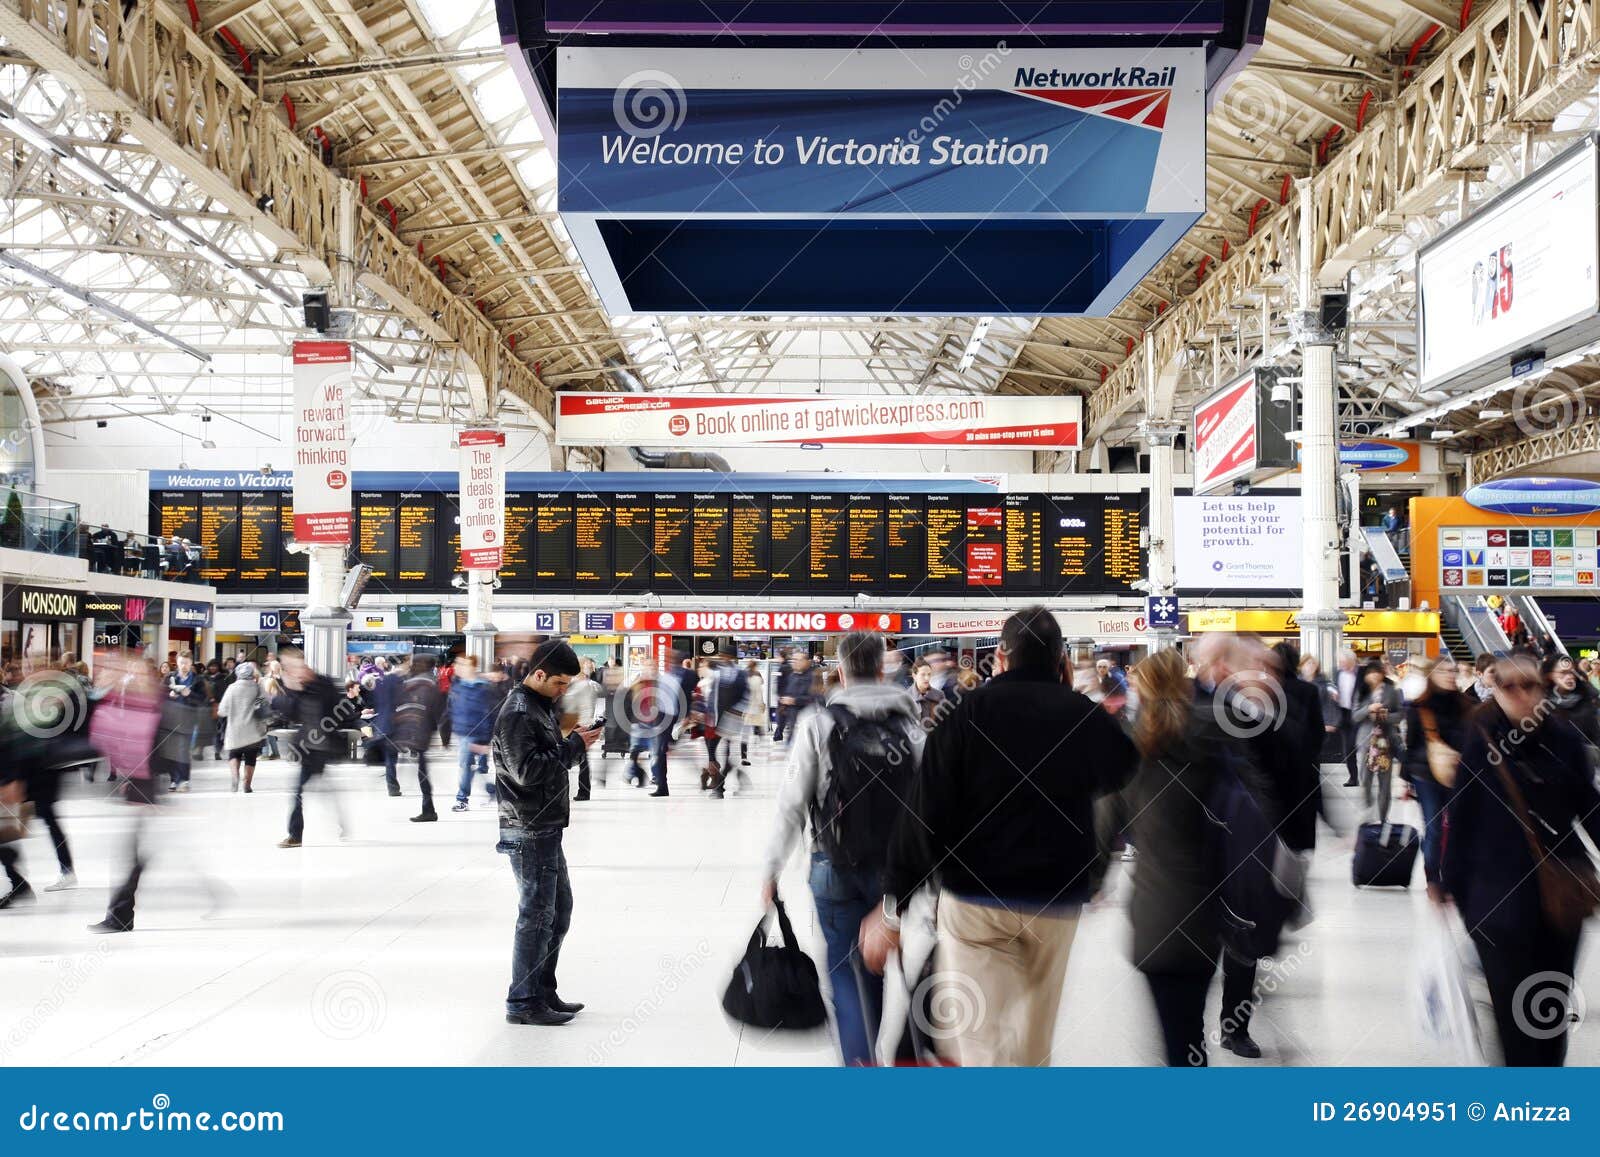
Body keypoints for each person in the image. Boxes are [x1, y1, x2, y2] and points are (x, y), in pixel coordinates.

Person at [861, 607, 1138, 1066]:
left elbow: (923, 814)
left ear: (1002, 659)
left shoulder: (964, 715)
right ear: (1061, 661)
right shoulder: (1080, 716)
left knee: (981, 1042)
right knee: (1032, 1040)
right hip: (1055, 899)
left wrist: (893, 910)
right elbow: (1122, 766)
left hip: (976, 902)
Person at [759, 631, 924, 1065]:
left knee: (844, 969)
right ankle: (880, 1045)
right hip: (896, 871)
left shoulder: (820, 722)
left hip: (832, 866)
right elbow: (930, 802)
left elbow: (791, 802)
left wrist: (771, 868)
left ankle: (859, 1059)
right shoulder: (910, 723)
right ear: (882, 667)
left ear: (842, 670)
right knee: (878, 964)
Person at [1449, 654, 1600, 1065]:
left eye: (1529, 685)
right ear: (1494, 690)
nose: (1520, 694)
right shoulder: (1480, 741)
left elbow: (1589, 807)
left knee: (1548, 1015)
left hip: (1559, 902)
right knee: (1512, 1022)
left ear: (1544, 688)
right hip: (1497, 906)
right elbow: (1460, 819)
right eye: (1509, 686)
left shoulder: (1565, 741)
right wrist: (1454, 889)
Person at [1096, 648, 1229, 1065]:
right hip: (1209, 912)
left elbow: (1103, 828)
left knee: (1176, 1036)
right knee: (1190, 1033)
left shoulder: (1129, 750)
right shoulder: (1215, 742)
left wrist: (1090, 883)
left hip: (1155, 914)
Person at [492, 639, 603, 1026]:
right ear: (538, 674)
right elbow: (527, 771)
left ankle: (542, 990)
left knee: (558, 910)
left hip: (543, 826)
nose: (564, 690)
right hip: (528, 827)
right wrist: (573, 747)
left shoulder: (538, 706)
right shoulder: (520, 712)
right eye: (559, 683)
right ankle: (522, 1001)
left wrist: (571, 741)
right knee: (537, 915)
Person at [1401, 656, 1467, 901]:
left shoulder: (1465, 705)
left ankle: (1452, 876)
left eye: (1452, 671)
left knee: (1459, 826)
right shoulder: (1420, 707)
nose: (1450, 675)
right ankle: (1433, 879)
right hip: (1425, 774)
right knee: (1435, 827)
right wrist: (1406, 782)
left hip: (1457, 774)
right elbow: (1409, 746)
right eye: (1443, 671)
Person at [274, 652, 346, 849]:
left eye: (296, 666)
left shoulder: (324, 684)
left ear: (305, 665)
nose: (295, 672)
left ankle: (339, 823)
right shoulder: (297, 689)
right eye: (290, 668)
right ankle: (295, 835)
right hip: (307, 750)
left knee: (322, 791)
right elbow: (287, 713)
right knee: (300, 792)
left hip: (323, 748)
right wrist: (291, 690)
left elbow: (339, 709)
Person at [393, 656, 446, 823]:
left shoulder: (415, 684)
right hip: (422, 733)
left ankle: (429, 810)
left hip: (416, 733)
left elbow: (403, 707)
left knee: (422, 773)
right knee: (422, 771)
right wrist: (444, 736)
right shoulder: (432, 684)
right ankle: (428, 809)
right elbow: (441, 713)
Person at [1352, 660, 1403, 824]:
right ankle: (1367, 810)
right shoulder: (1361, 691)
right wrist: (1368, 709)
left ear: (1382, 673)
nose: (1374, 675)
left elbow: (1400, 714)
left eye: (1377, 672)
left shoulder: (1391, 691)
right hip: (1366, 742)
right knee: (1365, 780)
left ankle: (1383, 818)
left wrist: (1385, 716)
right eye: (1370, 672)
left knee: (1385, 783)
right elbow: (1354, 716)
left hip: (1385, 743)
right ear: (1365, 675)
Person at [450, 656, 500, 811]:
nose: (458, 667)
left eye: (462, 664)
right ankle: (492, 791)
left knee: (466, 766)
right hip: (463, 733)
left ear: (472, 667)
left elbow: (490, 714)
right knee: (471, 767)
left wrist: (484, 740)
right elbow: (453, 710)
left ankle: (462, 799)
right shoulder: (458, 686)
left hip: (475, 735)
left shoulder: (483, 688)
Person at [216, 661, 268, 793]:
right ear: (251, 674)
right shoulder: (257, 687)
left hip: (235, 730)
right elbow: (265, 704)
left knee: (234, 754)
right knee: (251, 757)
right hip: (253, 731)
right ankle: (247, 784)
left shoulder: (231, 688)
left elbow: (222, 711)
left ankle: (235, 777)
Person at [707, 653, 752, 798]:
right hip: (715, 716)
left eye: (726, 655)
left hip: (731, 716)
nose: (724, 658)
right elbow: (712, 695)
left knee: (726, 752)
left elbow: (746, 694)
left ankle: (719, 786)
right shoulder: (717, 673)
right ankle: (719, 780)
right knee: (712, 751)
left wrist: (739, 711)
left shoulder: (740, 674)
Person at [1544, 654, 1600, 769]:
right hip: (1570, 767)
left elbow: (1595, 731)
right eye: (1563, 673)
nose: (1569, 677)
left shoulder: (1586, 695)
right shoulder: (1543, 705)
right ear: (1550, 675)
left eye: (1571, 672)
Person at [564, 658, 602, 802]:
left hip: (579, 727)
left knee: (578, 760)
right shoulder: (586, 684)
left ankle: (582, 792)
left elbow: (580, 706)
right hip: (579, 726)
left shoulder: (581, 685)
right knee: (582, 760)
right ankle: (583, 791)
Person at [163, 653, 202, 792]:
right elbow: (160, 695)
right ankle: (174, 779)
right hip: (171, 719)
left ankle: (184, 780)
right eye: (181, 663)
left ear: (191, 663)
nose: (183, 666)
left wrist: (189, 694)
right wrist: (168, 695)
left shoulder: (198, 680)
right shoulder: (169, 678)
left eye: (186, 663)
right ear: (177, 663)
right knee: (170, 750)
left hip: (188, 720)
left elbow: (201, 700)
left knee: (183, 750)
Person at [772, 651, 814, 743]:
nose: (794, 662)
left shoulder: (813, 677)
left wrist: (794, 700)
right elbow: (788, 692)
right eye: (793, 660)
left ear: (806, 661)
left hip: (806, 724)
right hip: (793, 722)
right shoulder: (793, 675)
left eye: (797, 660)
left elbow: (815, 698)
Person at [1333, 649, 1361, 786]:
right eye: (1339, 661)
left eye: (1342, 661)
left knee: (1362, 746)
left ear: (1351, 661)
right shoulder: (1338, 673)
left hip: (1359, 715)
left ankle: (1368, 774)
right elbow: (1333, 686)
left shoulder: (1361, 673)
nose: (1340, 664)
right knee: (1348, 749)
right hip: (1344, 714)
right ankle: (1353, 778)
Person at [910, 660, 945, 727]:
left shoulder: (939, 695)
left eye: (929, 674)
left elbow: (944, 722)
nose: (927, 678)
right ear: (914, 676)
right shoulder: (906, 697)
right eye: (923, 674)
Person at [744, 661, 768, 740]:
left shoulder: (744, 676)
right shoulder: (757, 677)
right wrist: (762, 703)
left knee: (747, 724)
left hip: (746, 705)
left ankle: (744, 745)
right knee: (758, 721)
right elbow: (759, 693)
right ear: (755, 666)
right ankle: (759, 736)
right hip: (755, 704)